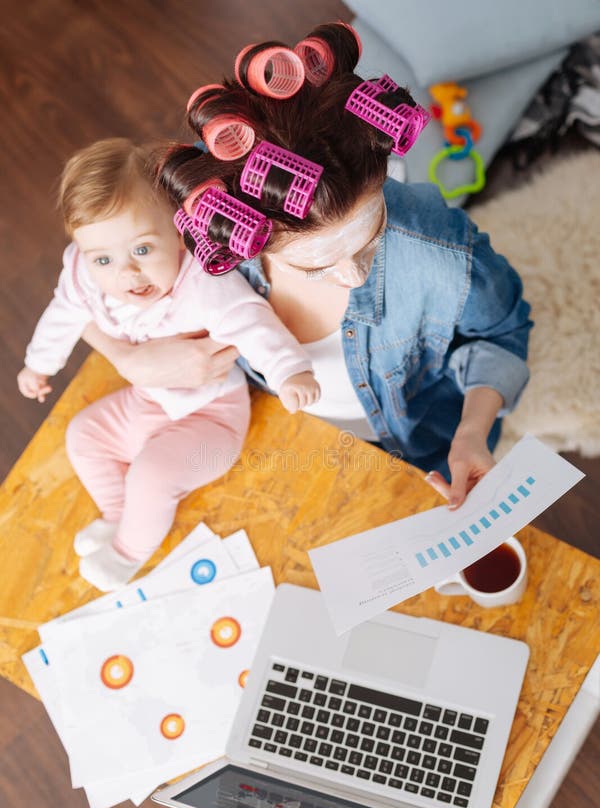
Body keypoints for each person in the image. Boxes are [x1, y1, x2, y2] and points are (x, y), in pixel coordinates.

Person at [84, 21, 533, 510]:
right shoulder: (202, 218)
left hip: (413, 443)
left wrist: (471, 432)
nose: (355, 276)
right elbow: (83, 270)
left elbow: (502, 335)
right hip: (261, 426)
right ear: (248, 240)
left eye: (371, 241)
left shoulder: (441, 252)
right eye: (318, 267)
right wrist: (124, 357)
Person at [18, 138, 320, 590]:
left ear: (179, 233)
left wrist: (289, 371)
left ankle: (127, 553)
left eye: (142, 250)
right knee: (83, 435)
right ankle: (119, 514)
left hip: (213, 417)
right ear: (83, 252)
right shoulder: (86, 277)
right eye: (104, 259)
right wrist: (39, 364)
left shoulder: (200, 281)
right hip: (149, 403)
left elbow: (250, 320)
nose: (126, 273)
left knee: (153, 474)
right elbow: (63, 314)